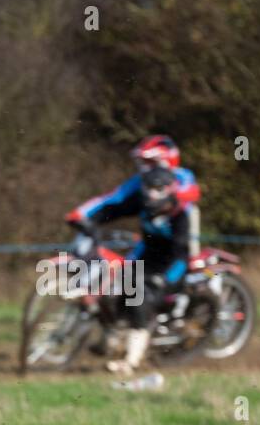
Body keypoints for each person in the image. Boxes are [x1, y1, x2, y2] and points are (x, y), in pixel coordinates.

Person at [65, 135, 200, 374]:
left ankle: (132, 360)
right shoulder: (144, 191)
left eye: (148, 163)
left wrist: (165, 278)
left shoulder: (182, 189)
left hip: (174, 259)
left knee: (141, 294)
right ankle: (113, 335)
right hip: (149, 252)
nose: (148, 193)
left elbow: (190, 196)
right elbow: (113, 201)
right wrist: (83, 216)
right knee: (119, 285)